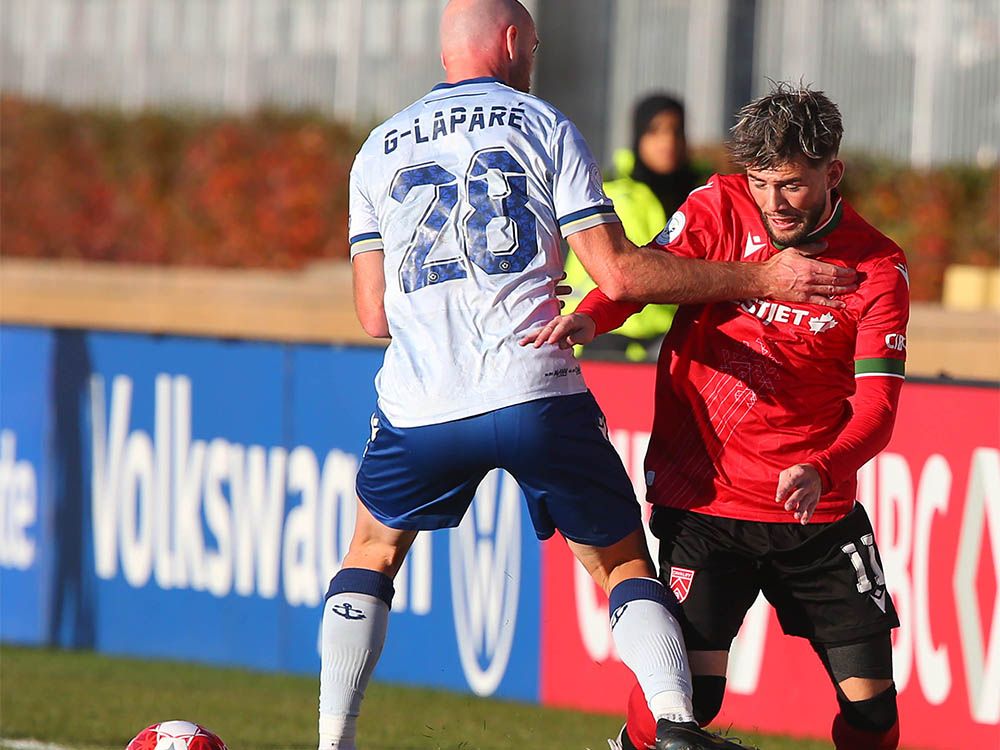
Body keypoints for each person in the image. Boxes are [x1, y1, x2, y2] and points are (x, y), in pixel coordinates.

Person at [321, 2, 857, 746]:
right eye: (533, 44)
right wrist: (761, 280)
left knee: (372, 552)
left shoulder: (377, 149)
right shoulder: (541, 123)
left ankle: (332, 740)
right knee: (619, 561)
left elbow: (374, 315)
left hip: (422, 401)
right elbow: (621, 273)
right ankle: (673, 724)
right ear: (512, 42)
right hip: (534, 381)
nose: (533, 57)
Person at [528, 83, 908, 750]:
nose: (772, 201)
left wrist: (823, 467)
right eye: (759, 181)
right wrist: (594, 314)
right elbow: (645, 272)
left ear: (832, 173)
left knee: (875, 718)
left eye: (790, 184)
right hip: (707, 502)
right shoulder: (718, 205)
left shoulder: (878, 268)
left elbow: (878, 408)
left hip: (815, 513)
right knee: (688, 701)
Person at [564, 94, 704, 362]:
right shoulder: (616, 195)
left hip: (666, 340)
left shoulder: (703, 192)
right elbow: (644, 272)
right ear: (638, 135)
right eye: (655, 131)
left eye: (676, 131)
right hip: (608, 338)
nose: (668, 142)